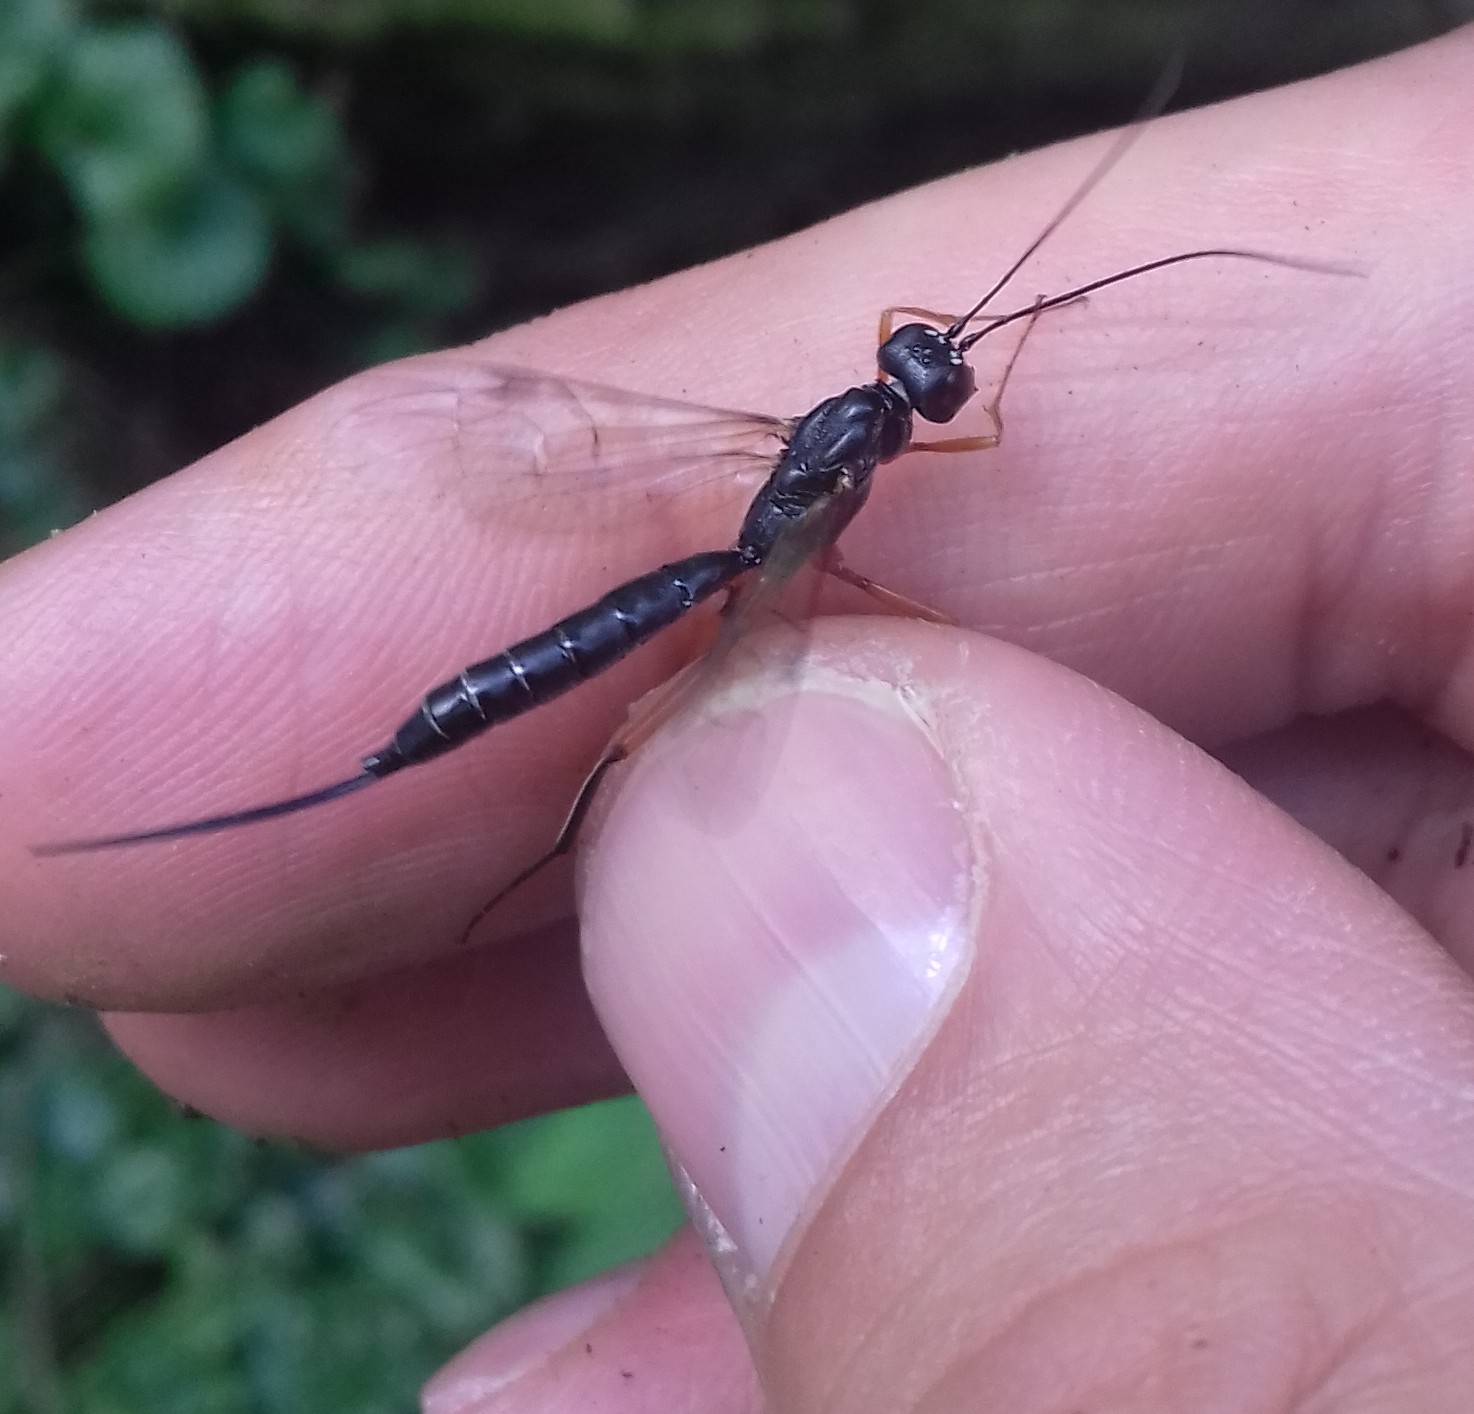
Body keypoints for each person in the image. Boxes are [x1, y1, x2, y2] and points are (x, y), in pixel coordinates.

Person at [7, 28, 1474, 1412]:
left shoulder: (830, 420)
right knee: (680, 728)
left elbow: (889, 383)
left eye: (931, 362)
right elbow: (955, 444)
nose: (936, 368)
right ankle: (482, 812)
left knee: (642, 704)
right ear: (900, 397)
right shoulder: (874, 449)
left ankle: (442, 804)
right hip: (728, 580)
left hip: (717, 561)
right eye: (930, 367)